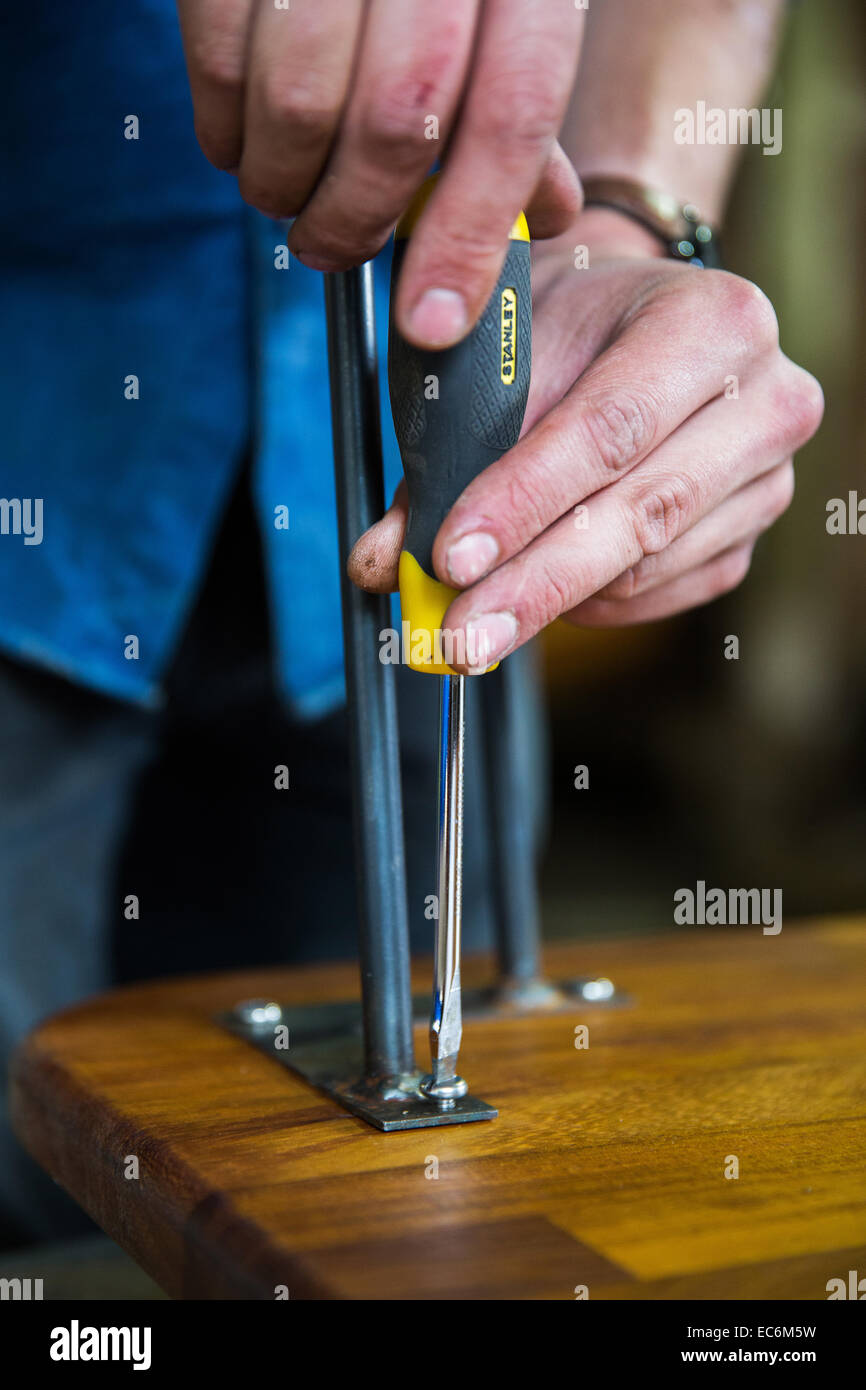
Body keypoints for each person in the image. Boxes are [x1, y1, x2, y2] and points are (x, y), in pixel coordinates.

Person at [0, 0, 821, 1248]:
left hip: (426, 503)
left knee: (427, 1224)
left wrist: (620, 214)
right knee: (26, 1181)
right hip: (38, 491)